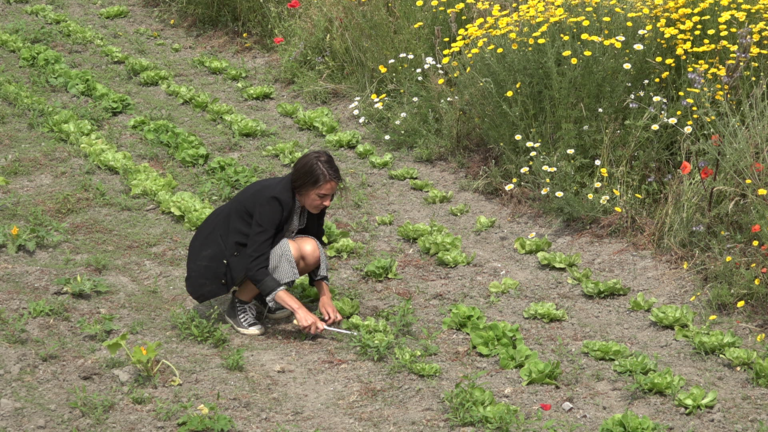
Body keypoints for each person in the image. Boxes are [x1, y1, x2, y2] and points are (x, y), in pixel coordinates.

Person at [185, 150, 343, 335]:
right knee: (289, 251)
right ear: (303, 187)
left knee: (311, 249)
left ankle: (261, 293)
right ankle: (239, 304)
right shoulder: (273, 200)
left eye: (331, 196)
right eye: (322, 196)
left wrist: (325, 296)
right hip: (219, 261)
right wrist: (299, 310)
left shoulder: (313, 202)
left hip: (251, 254)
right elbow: (256, 265)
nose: (327, 203)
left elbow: (314, 239)